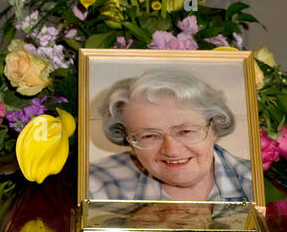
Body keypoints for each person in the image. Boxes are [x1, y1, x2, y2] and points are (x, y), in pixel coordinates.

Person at [89, 67, 253, 202]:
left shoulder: (258, 183)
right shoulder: (96, 184)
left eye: (186, 131)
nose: (172, 150)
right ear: (129, 141)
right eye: (149, 136)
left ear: (215, 128)